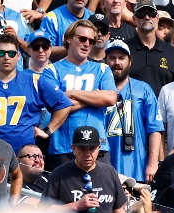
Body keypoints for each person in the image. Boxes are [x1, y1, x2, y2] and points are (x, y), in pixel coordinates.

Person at [40, 21, 117, 170]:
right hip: (63, 145)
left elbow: (110, 98)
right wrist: (95, 98)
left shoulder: (102, 68)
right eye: (82, 38)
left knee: (101, 191)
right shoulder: (51, 70)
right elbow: (55, 106)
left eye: (91, 41)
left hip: (97, 146)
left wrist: (73, 93)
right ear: (69, 38)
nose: (87, 44)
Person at [104, 39, 165, 184]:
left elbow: (155, 129)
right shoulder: (98, 90)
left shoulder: (144, 89)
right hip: (105, 165)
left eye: (121, 58)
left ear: (130, 61)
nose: (117, 62)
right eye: (112, 58)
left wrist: (153, 163)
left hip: (137, 166)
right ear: (105, 61)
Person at [126, 0, 174, 97]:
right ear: (134, 19)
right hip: (131, 109)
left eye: (151, 14)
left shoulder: (172, 53)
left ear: (157, 18)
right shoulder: (124, 49)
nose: (147, 17)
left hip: (163, 110)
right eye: (141, 14)